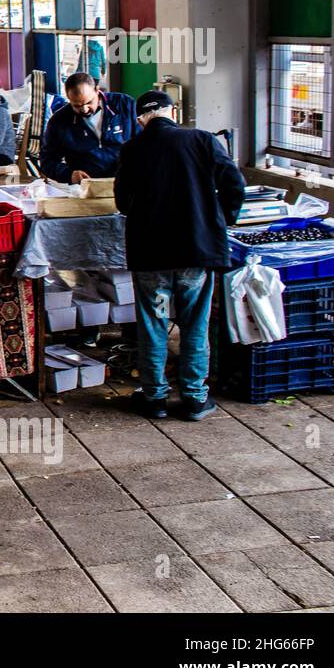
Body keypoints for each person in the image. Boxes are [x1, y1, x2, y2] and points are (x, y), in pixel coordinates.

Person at [114, 90, 246, 422]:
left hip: (152, 257)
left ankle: (155, 398)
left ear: (141, 118)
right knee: (194, 324)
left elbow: (122, 203)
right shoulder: (202, 140)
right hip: (195, 254)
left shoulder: (132, 149)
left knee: (153, 324)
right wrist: (222, 218)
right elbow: (234, 184)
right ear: (172, 112)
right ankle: (194, 398)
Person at [41, 72, 138, 184]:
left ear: (97, 90)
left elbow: (144, 143)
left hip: (126, 182)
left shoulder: (124, 105)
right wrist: (69, 174)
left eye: (89, 102)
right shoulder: (59, 121)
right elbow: (47, 161)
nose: (84, 110)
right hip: (86, 187)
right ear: (69, 99)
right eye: (76, 106)